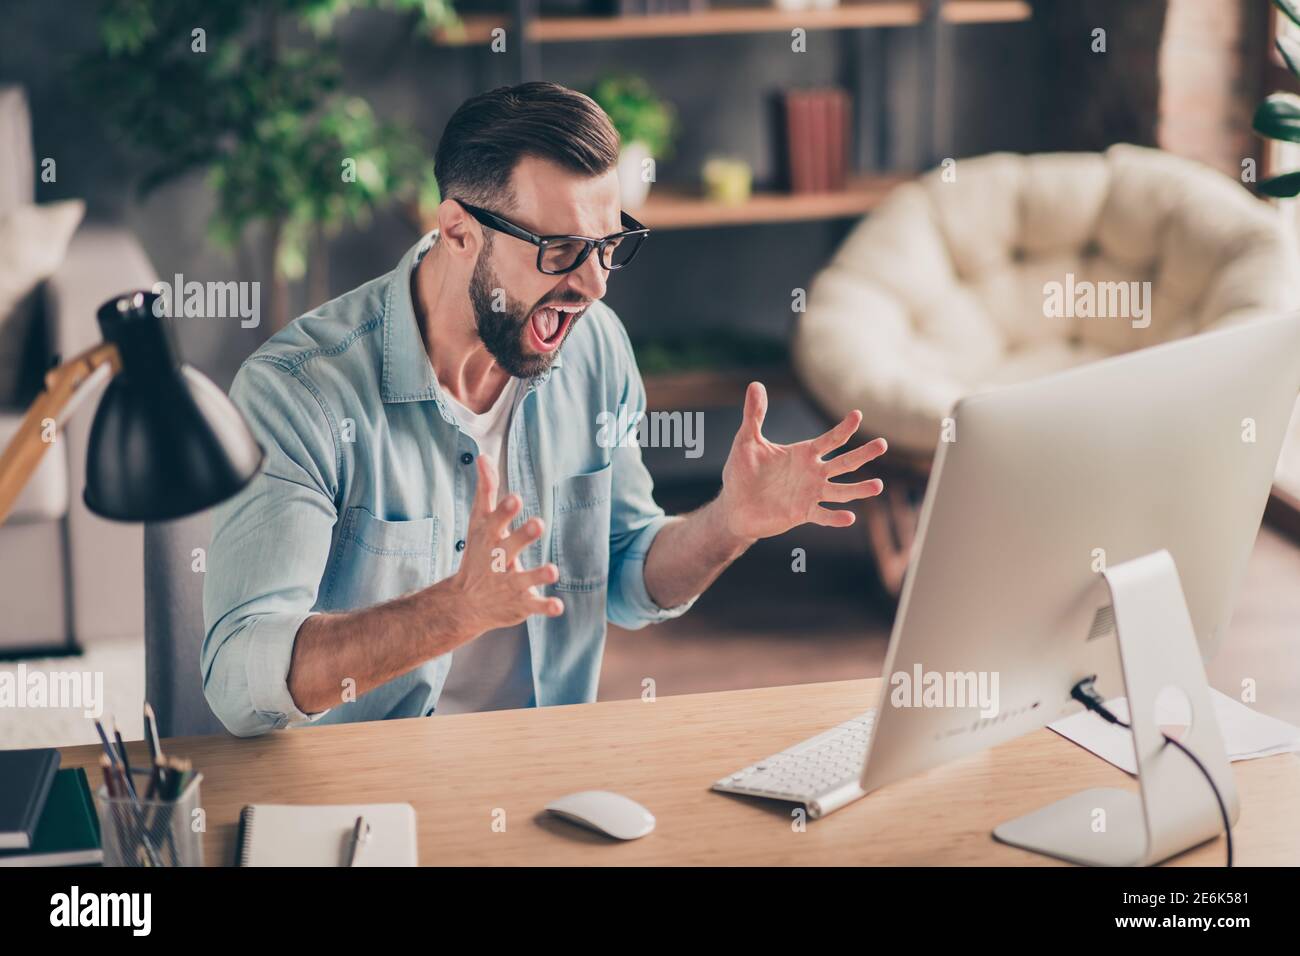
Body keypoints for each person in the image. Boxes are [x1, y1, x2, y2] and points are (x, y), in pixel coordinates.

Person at [201, 81, 888, 737]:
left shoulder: (593, 350)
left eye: (609, 246)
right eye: (561, 251)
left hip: (542, 771)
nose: (593, 287)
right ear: (459, 231)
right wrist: (453, 610)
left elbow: (625, 571)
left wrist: (729, 524)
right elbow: (239, 680)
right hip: (365, 800)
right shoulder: (300, 392)